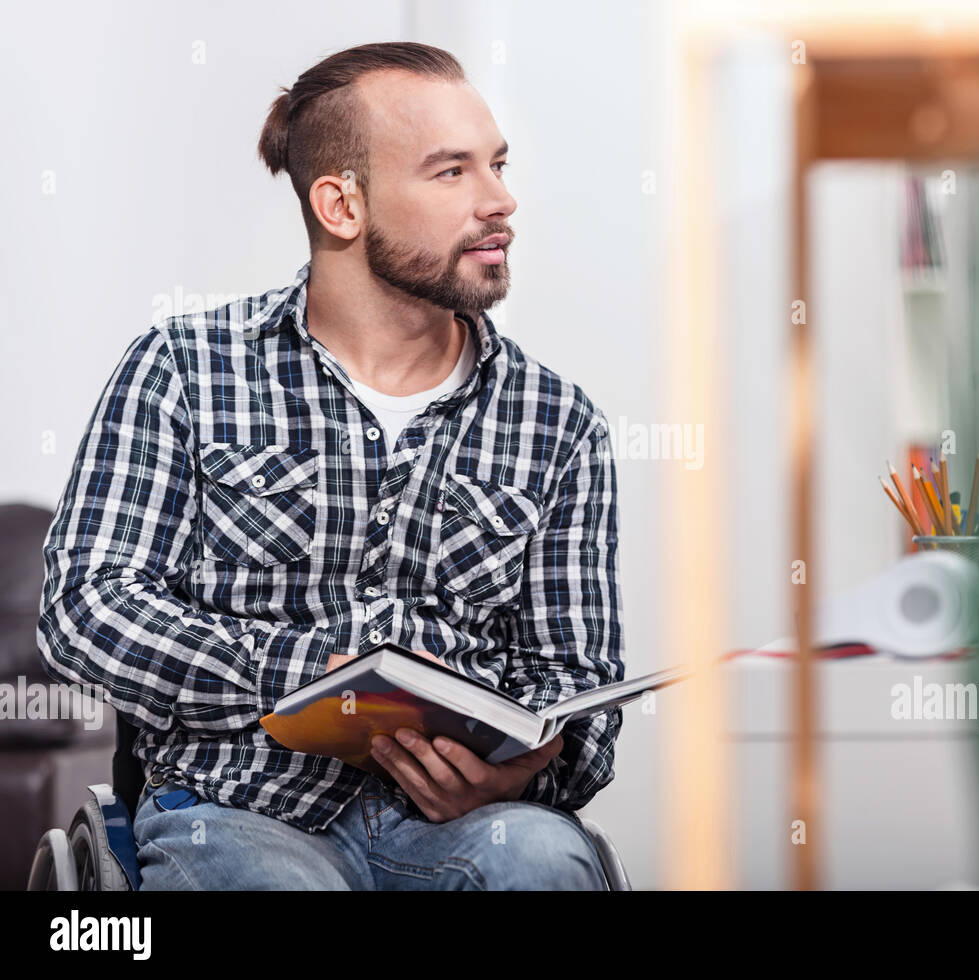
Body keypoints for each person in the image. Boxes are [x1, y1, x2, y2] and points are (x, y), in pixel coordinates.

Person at [36, 41, 623, 890]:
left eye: (496, 164)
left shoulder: (558, 424)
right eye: (451, 173)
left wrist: (526, 769)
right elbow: (88, 607)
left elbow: (578, 682)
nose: (501, 200)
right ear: (341, 205)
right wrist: (306, 678)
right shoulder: (186, 370)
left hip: (463, 825)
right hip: (235, 809)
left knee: (543, 861)